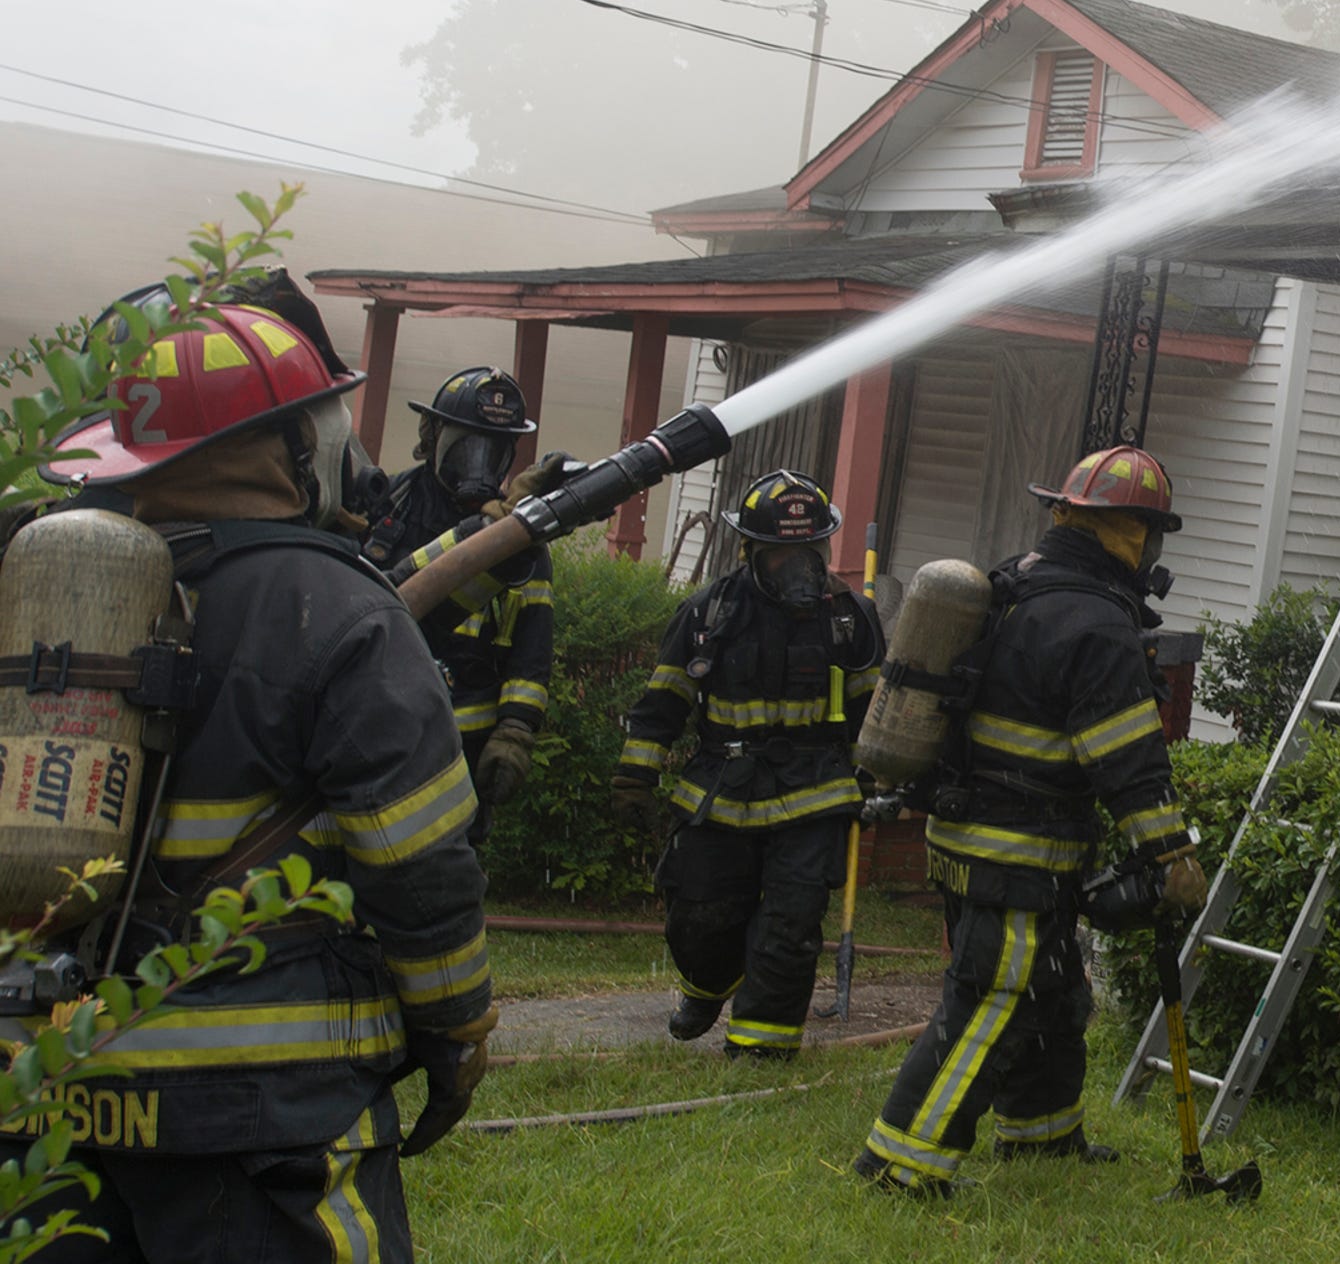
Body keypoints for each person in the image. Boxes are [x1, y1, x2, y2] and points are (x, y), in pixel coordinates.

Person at [25, 292, 496, 1262]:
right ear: (287, 442)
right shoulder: (339, 607)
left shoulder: (37, 596)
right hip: (263, 1114)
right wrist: (456, 1031)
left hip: (45, 1090)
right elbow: (421, 868)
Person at [852, 444, 1207, 1195]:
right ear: (1135, 532)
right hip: (1018, 849)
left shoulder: (1019, 582)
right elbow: (1126, 759)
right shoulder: (1096, 622)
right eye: (1149, 533)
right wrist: (1171, 855)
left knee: (1051, 990)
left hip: (972, 833)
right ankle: (900, 1162)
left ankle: (1042, 1133)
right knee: (992, 1000)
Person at [609, 470, 882, 1059]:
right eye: (783, 552)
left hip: (814, 793)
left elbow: (872, 714)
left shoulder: (848, 618)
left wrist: (877, 780)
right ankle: (707, 987)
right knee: (702, 915)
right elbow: (663, 702)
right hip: (722, 787)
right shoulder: (709, 614)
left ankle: (762, 1049)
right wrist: (636, 774)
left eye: (809, 550)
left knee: (791, 925)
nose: (799, 564)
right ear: (752, 550)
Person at [358, 367, 551, 838]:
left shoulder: (521, 544)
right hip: (375, 733)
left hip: (460, 744)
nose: (480, 462)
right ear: (433, 434)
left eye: (495, 447)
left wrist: (514, 732)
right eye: (468, 443)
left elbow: (532, 653)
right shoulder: (385, 508)